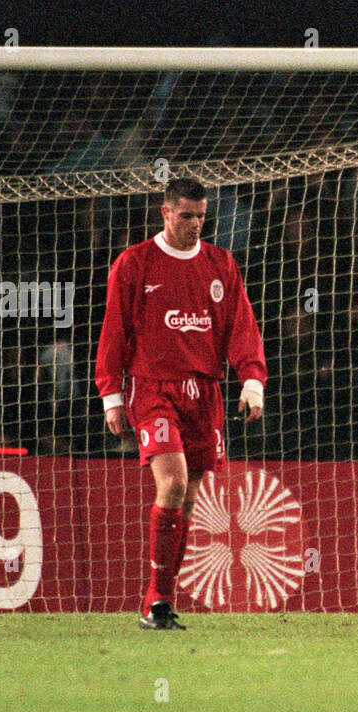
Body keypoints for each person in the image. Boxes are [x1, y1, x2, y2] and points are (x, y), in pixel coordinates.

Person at [95, 177, 267, 630]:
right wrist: (111, 395)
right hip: (153, 389)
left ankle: (163, 603)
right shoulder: (134, 263)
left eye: (200, 216)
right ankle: (155, 601)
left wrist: (252, 380)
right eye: (186, 215)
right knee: (172, 484)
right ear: (165, 213)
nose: (194, 224)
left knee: (188, 500)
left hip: (204, 393)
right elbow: (115, 332)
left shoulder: (219, 264)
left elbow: (240, 327)